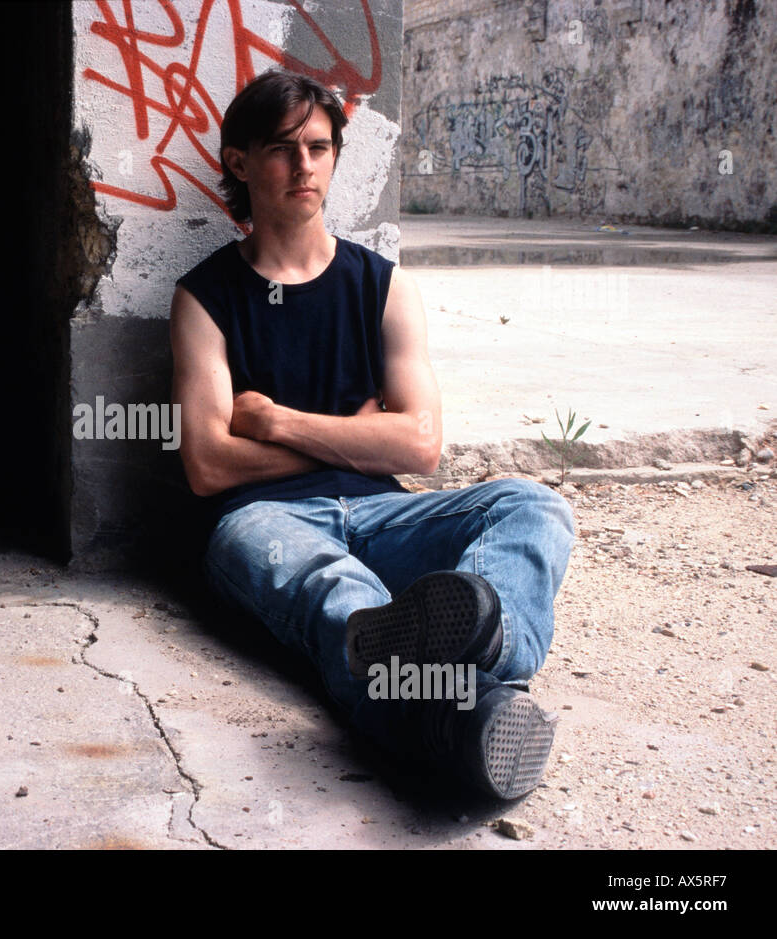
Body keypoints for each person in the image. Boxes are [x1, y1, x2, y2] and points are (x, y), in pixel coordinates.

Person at [169, 69, 575, 799]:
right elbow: (207, 465)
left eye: (319, 148)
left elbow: (419, 446)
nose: (304, 166)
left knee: (533, 506)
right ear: (239, 162)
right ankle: (471, 715)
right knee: (337, 587)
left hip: (385, 514)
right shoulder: (204, 298)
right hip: (262, 522)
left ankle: (487, 646)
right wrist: (356, 436)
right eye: (283, 149)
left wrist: (277, 421)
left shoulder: (384, 286)